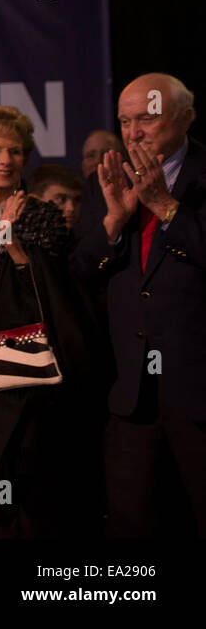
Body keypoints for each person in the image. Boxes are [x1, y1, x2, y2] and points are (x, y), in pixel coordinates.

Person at [0, 106, 105, 538]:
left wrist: (10, 240)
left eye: (14, 151)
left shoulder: (42, 215)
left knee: (27, 480)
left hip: (25, 369)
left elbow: (50, 295)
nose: (4, 160)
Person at [75, 73, 205, 537]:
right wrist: (113, 221)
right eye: (125, 121)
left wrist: (167, 208)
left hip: (197, 392)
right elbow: (82, 272)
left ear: (185, 118)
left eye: (147, 118)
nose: (134, 133)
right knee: (131, 525)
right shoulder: (106, 182)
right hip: (130, 395)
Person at [27, 164, 84, 234]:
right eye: (61, 199)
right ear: (34, 201)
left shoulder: (87, 240)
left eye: (77, 200)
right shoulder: (12, 236)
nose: (71, 208)